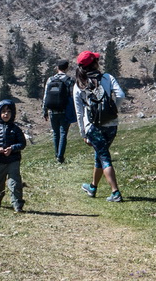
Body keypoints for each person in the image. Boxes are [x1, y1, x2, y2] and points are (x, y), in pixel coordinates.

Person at [73, 49, 128, 202]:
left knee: (103, 156)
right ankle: (92, 187)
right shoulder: (107, 77)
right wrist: (113, 109)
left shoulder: (79, 85)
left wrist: (83, 133)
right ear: (95, 63)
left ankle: (115, 192)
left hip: (92, 126)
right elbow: (121, 95)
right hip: (111, 125)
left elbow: (79, 112)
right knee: (101, 154)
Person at [0, 96, 27, 213]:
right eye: (3, 112)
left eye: (9, 112)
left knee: (15, 183)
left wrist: (12, 148)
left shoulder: (16, 129)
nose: (6, 114)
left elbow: (22, 143)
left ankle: (17, 204)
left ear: (13, 114)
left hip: (13, 160)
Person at [41, 60, 77, 163]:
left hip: (53, 110)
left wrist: (45, 111)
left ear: (57, 68)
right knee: (63, 133)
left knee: (56, 134)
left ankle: (57, 154)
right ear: (67, 68)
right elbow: (72, 97)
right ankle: (60, 156)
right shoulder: (69, 80)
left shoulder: (50, 80)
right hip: (65, 110)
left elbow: (45, 97)